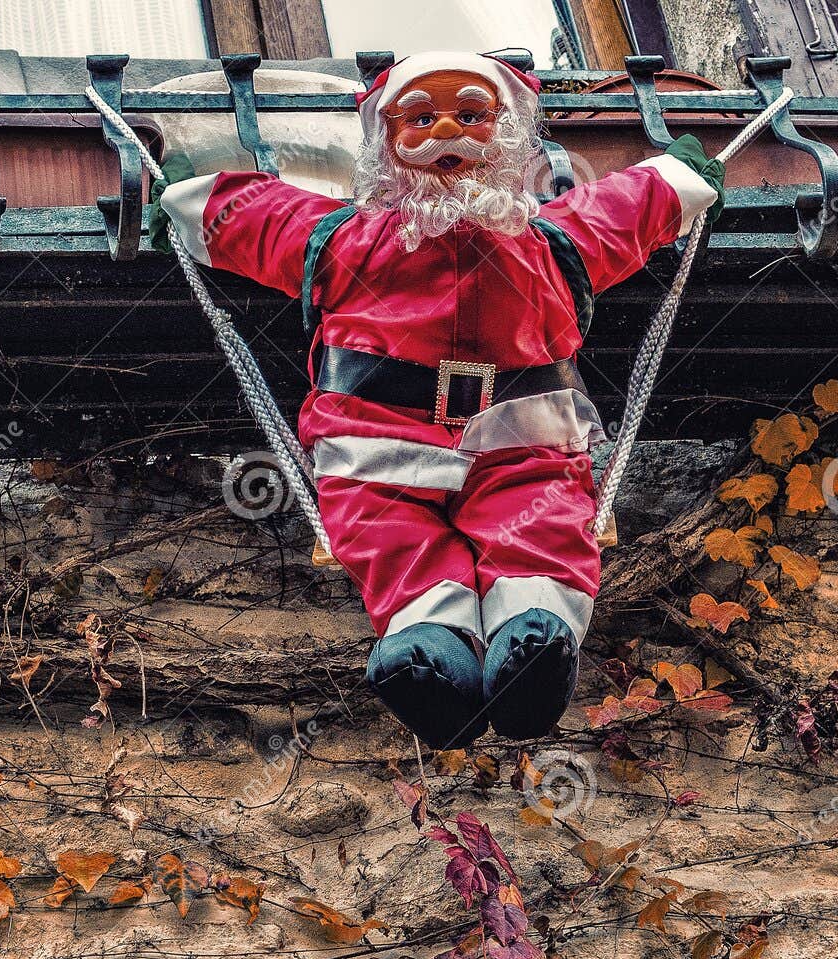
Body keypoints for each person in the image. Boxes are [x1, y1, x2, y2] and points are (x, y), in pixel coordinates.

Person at [158, 51, 724, 746]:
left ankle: (532, 642)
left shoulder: (549, 241)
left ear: (507, 133)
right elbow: (269, 221)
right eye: (422, 117)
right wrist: (194, 205)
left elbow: (621, 212)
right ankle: (432, 655)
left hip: (523, 442)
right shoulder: (345, 240)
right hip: (378, 448)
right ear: (389, 140)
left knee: (539, 527)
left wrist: (680, 178)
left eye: (471, 115)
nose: (447, 133)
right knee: (390, 538)